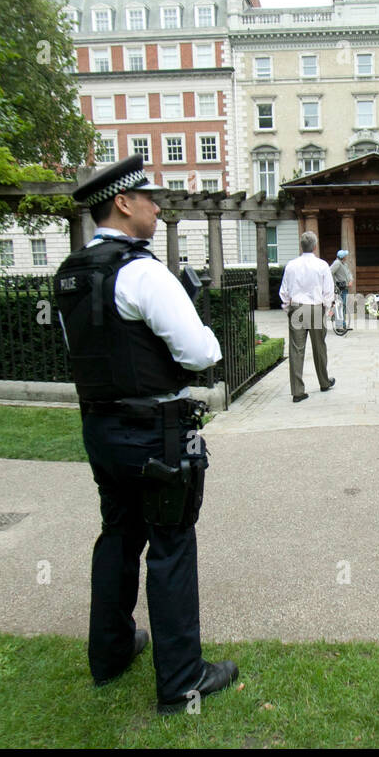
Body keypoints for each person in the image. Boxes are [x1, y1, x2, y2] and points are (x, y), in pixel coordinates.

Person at [54, 154, 238, 714]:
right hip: (157, 433)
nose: (158, 207)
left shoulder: (71, 273)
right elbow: (203, 352)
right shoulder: (142, 271)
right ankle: (182, 680)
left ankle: (109, 655)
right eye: (150, 198)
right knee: (172, 545)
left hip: (100, 428)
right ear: (122, 203)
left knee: (117, 536)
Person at [279, 231, 336, 402]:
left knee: (296, 350)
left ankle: (297, 391)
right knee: (319, 347)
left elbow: (284, 291)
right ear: (315, 246)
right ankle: (324, 382)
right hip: (316, 308)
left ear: (301, 246)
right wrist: (326, 307)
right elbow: (328, 291)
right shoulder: (322, 265)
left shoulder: (291, 265)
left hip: (297, 307)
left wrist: (288, 306)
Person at [330, 249, 353, 315]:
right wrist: (335, 282)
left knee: (343, 304)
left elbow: (349, 273)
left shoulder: (344, 264)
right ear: (343, 257)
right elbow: (330, 272)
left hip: (345, 287)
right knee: (341, 305)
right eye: (345, 256)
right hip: (340, 287)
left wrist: (351, 280)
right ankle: (341, 323)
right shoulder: (337, 263)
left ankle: (342, 322)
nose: (346, 257)